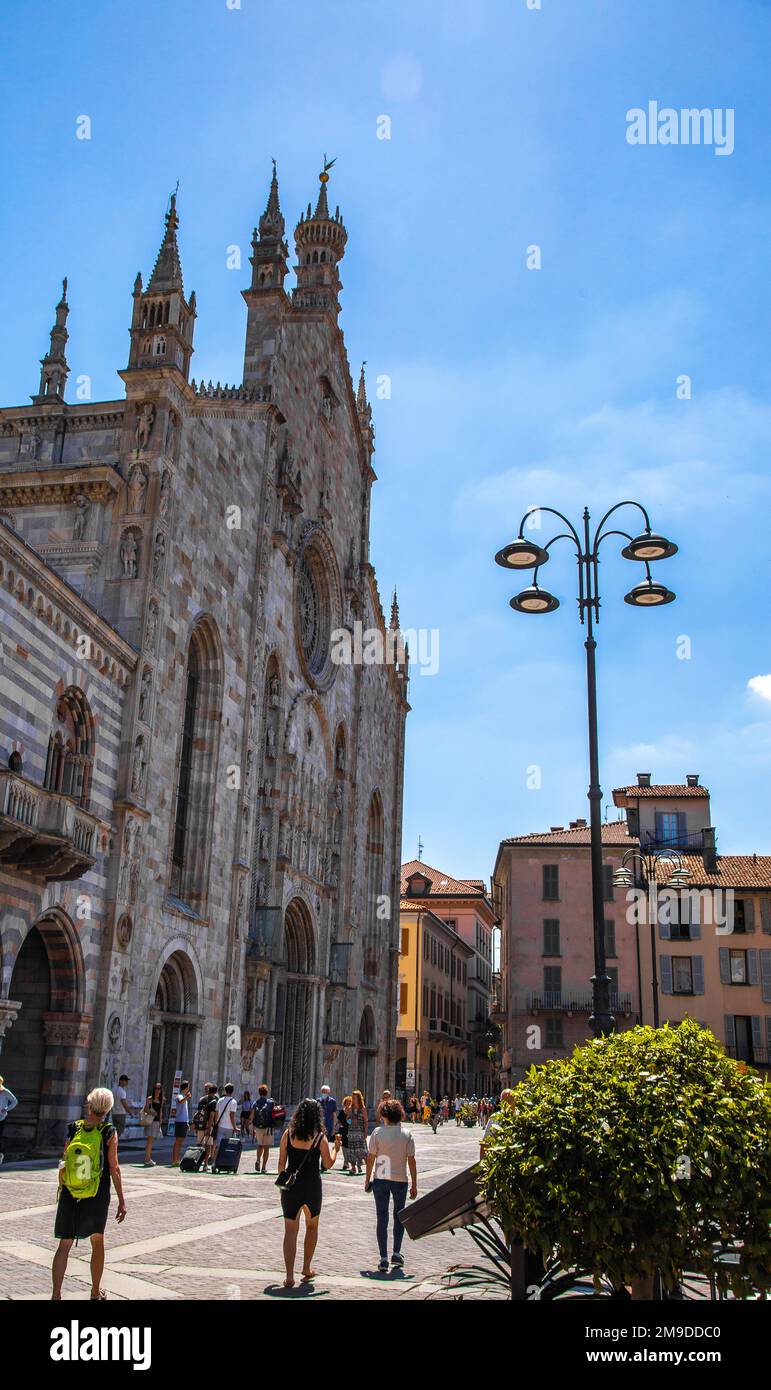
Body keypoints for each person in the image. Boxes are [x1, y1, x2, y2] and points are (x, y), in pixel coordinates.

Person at [51, 1087, 127, 1301]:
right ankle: (95, 1291)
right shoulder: (109, 1132)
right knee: (97, 1241)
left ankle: (56, 1295)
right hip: (97, 1192)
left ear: (89, 1105)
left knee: (64, 1244)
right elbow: (114, 1167)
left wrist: (64, 1185)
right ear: (108, 1109)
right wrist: (122, 1200)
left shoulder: (74, 1128)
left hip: (70, 1190)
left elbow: (65, 1159)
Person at [277, 1097, 340, 1288]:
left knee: (290, 1231)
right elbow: (328, 1164)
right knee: (312, 1227)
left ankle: (289, 1276)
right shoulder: (319, 1137)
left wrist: (284, 1185)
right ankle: (306, 1267)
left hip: (291, 1188)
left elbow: (281, 1166)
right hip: (312, 1186)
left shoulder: (287, 1135)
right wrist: (336, 1149)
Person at [365, 1098, 418, 1272]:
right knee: (398, 1217)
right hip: (400, 1180)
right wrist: (415, 1184)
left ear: (384, 1115)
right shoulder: (407, 1134)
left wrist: (367, 1179)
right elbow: (411, 1161)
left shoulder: (377, 1133)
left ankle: (383, 1258)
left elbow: (371, 1158)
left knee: (382, 1217)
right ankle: (396, 1253)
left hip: (381, 1178)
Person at [480, 1088, 516, 1158]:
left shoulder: (520, 1116)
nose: (507, 1103)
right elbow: (485, 1143)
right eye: (504, 1101)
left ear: (515, 1100)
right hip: (500, 1159)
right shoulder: (494, 1118)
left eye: (510, 1099)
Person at [193, 1083, 219, 1167]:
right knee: (208, 1145)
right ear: (215, 1092)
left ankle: (196, 1162)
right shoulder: (214, 1101)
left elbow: (198, 1113)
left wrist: (196, 1125)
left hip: (200, 1124)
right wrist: (210, 1127)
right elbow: (212, 1116)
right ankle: (205, 1164)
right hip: (208, 1126)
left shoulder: (201, 1099)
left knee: (199, 1144)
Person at [212, 1083, 238, 1160]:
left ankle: (214, 1163)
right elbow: (232, 1116)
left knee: (218, 1145)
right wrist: (235, 1127)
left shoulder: (219, 1100)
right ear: (232, 1091)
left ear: (225, 1090)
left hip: (220, 1126)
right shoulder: (233, 1102)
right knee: (226, 1146)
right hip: (229, 1128)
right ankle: (223, 1162)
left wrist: (216, 1123)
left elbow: (216, 1114)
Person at [142, 1082, 165, 1167]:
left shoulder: (161, 1099)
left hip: (157, 1122)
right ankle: (147, 1159)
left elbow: (161, 1111)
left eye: (159, 1089)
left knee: (151, 1141)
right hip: (150, 1121)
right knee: (150, 1140)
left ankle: (148, 1158)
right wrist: (151, 1113)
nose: (157, 1090)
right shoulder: (150, 1098)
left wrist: (161, 1121)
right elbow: (145, 1109)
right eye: (156, 1088)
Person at [252, 1084, 274, 1173]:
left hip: (258, 1127)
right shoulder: (270, 1103)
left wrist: (252, 1126)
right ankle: (264, 1167)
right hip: (268, 1127)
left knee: (260, 1145)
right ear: (266, 1092)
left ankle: (258, 1160)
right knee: (266, 1147)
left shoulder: (255, 1103)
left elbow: (252, 1116)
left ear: (259, 1092)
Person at [346, 1089, 368, 1174]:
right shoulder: (350, 1108)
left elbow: (366, 1121)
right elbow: (347, 1120)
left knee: (360, 1150)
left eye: (355, 1098)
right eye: (352, 1097)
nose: (353, 1099)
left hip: (360, 1133)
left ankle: (359, 1165)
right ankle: (353, 1167)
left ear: (359, 1098)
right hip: (351, 1132)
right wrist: (351, 1121)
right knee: (351, 1150)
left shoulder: (363, 1108)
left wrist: (366, 1132)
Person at [171, 1080, 192, 1167]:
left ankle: (177, 1159)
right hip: (179, 1121)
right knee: (178, 1141)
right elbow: (180, 1101)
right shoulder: (179, 1096)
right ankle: (174, 1160)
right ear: (186, 1088)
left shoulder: (184, 1097)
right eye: (188, 1087)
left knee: (181, 1142)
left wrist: (187, 1122)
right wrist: (187, 1097)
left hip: (184, 1121)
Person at [0, 1075, 18, 1164]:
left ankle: (1, 1154)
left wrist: (6, 1109)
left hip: (1, 1118)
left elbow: (15, 1101)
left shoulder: (5, 1092)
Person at [112, 1074, 134, 1145]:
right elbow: (124, 1103)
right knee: (119, 1132)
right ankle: (113, 1146)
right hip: (120, 1114)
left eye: (127, 1081)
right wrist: (130, 1112)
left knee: (115, 1131)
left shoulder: (114, 1089)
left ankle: (112, 1145)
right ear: (120, 1081)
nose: (127, 1082)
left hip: (114, 1113)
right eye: (125, 1081)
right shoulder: (122, 1091)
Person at [338, 1096, 351, 1172]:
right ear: (344, 1103)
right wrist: (340, 1124)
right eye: (347, 1102)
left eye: (350, 1103)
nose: (348, 1104)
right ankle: (346, 1162)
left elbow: (352, 1121)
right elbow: (339, 1119)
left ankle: (346, 1162)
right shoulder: (341, 1111)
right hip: (342, 1130)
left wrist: (347, 1123)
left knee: (348, 1146)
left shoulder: (352, 1112)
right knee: (343, 1146)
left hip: (349, 1130)